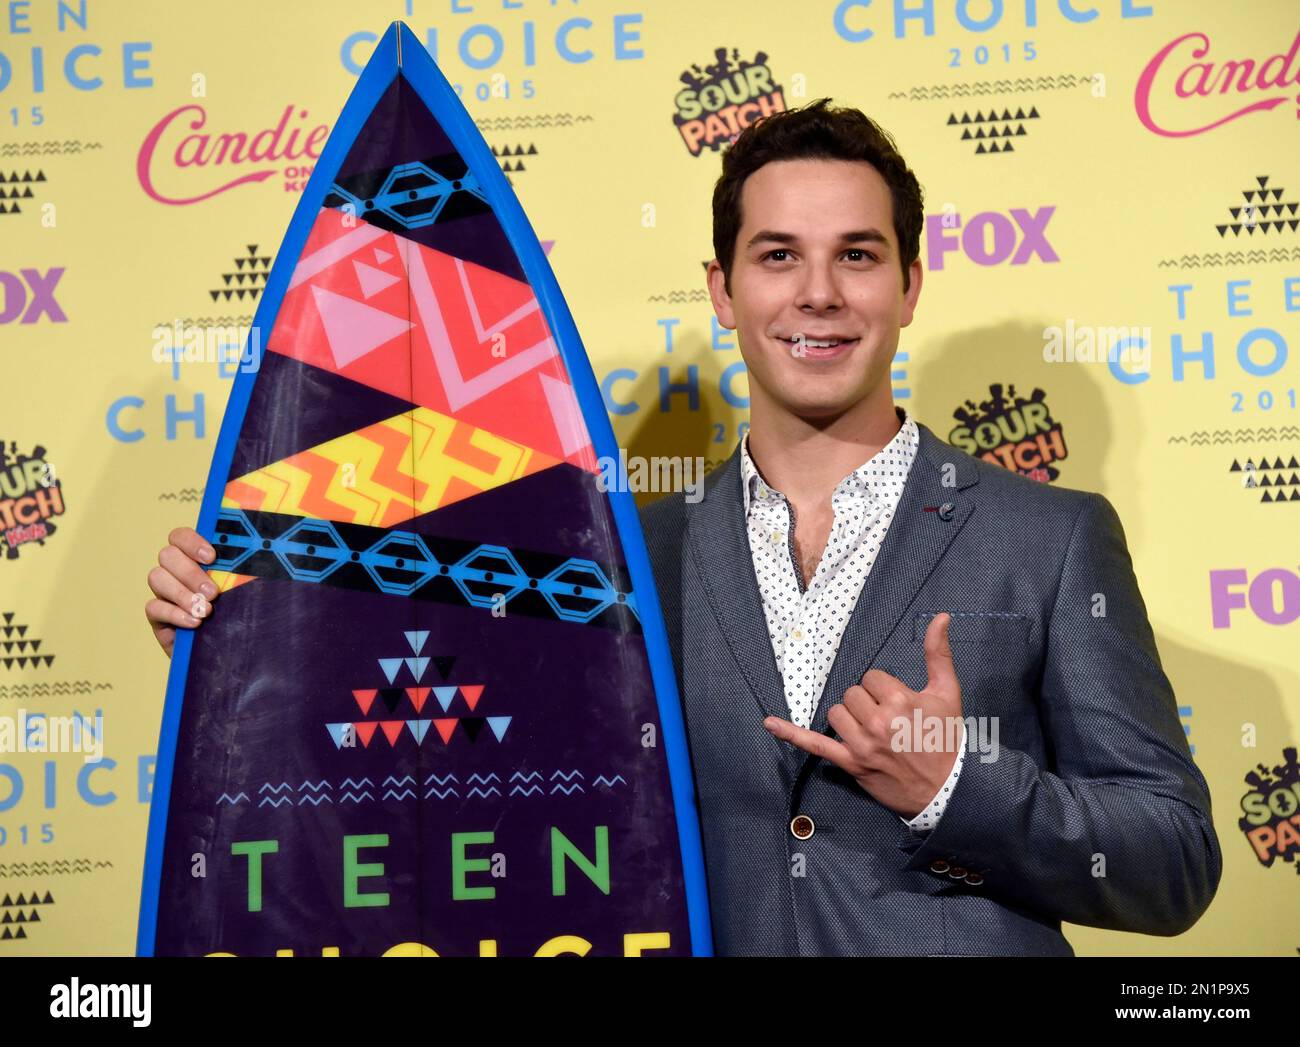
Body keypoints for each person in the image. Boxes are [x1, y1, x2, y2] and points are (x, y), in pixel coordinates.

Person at [145, 99, 1221, 956]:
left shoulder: (1052, 537)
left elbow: (1172, 862)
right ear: (721, 288)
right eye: (775, 256)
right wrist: (250, 643)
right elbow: (454, 784)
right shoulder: (611, 559)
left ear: (909, 285)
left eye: (856, 255)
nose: (818, 294)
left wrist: (954, 785)